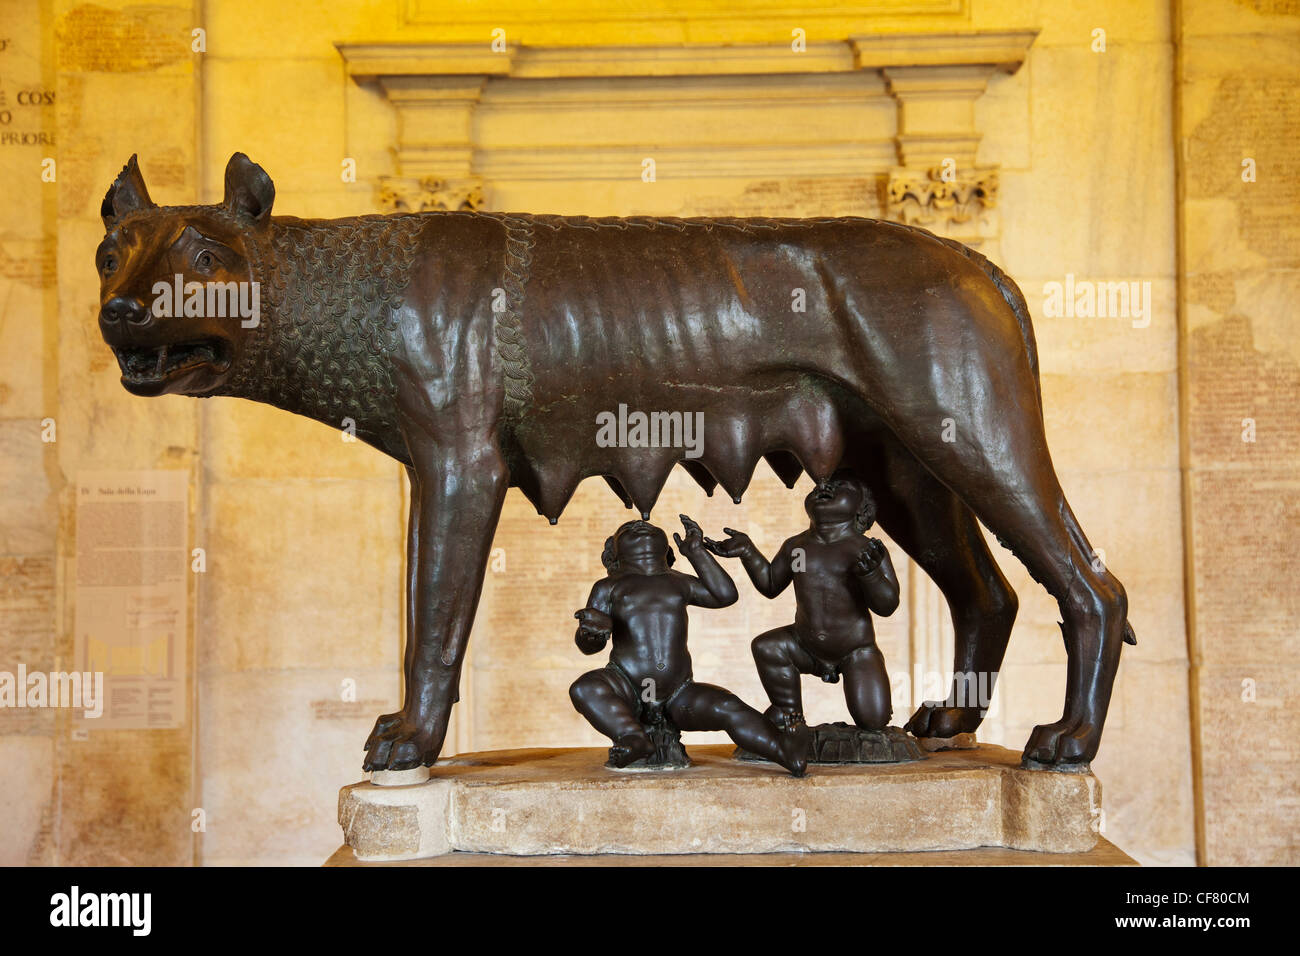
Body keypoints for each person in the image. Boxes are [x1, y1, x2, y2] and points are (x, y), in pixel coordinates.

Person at [570, 515, 809, 775]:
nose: (640, 524)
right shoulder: (608, 587)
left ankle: (786, 752)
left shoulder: (678, 581)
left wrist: (697, 552)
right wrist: (592, 633)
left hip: (679, 693)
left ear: (667, 550)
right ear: (614, 553)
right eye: (627, 528)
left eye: (649, 526)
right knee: (585, 688)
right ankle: (631, 736)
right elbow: (589, 646)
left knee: (728, 707)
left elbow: (724, 595)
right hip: (626, 686)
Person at [707, 470, 900, 733]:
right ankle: (788, 713)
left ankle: (868, 708)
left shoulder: (865, 549)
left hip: (856, 649)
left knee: (873, 721)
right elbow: (771, 585)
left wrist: (871, 575)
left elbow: (887, 606)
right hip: (804, 644)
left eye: (840, 486)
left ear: (861, 508)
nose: (825, 488)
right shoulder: (797, 547)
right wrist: (747, 551)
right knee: (767, 647)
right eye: (819, 486)